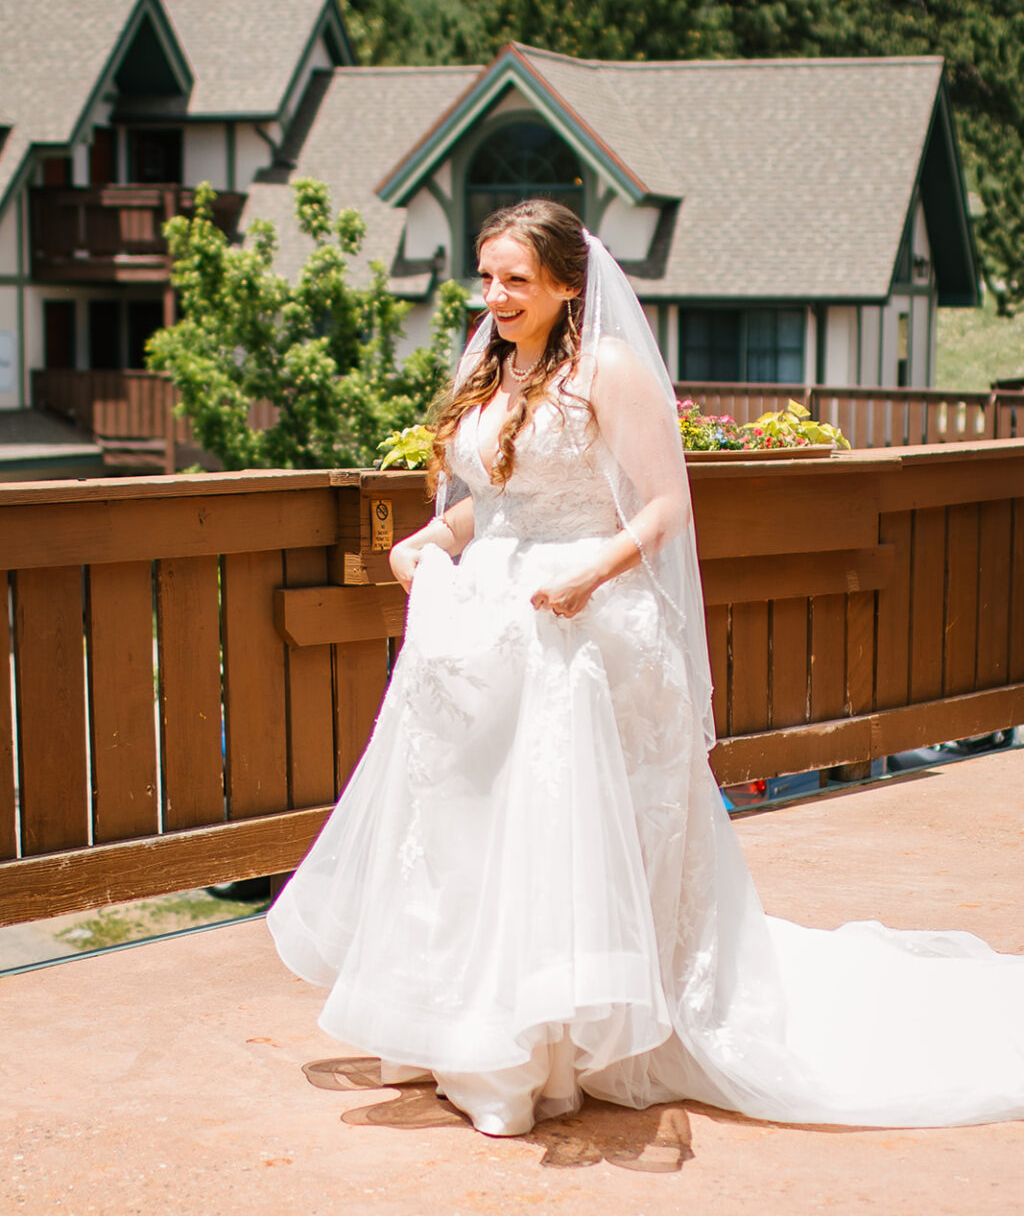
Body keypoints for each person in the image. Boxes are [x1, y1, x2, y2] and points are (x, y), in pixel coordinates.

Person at [269, 200, 1024, 1137]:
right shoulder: (484, 362)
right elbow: (489, 500)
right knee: (470, 824)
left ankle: (570, 1044)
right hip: (484, 622)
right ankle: (468, 1027)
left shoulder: (610, 371)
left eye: (515, 279)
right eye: (486, 275)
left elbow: (664, 508)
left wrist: (591, 569)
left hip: (585, 622)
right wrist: (427, 538)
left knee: (564, 829)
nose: (493, 296)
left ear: (566, 285)